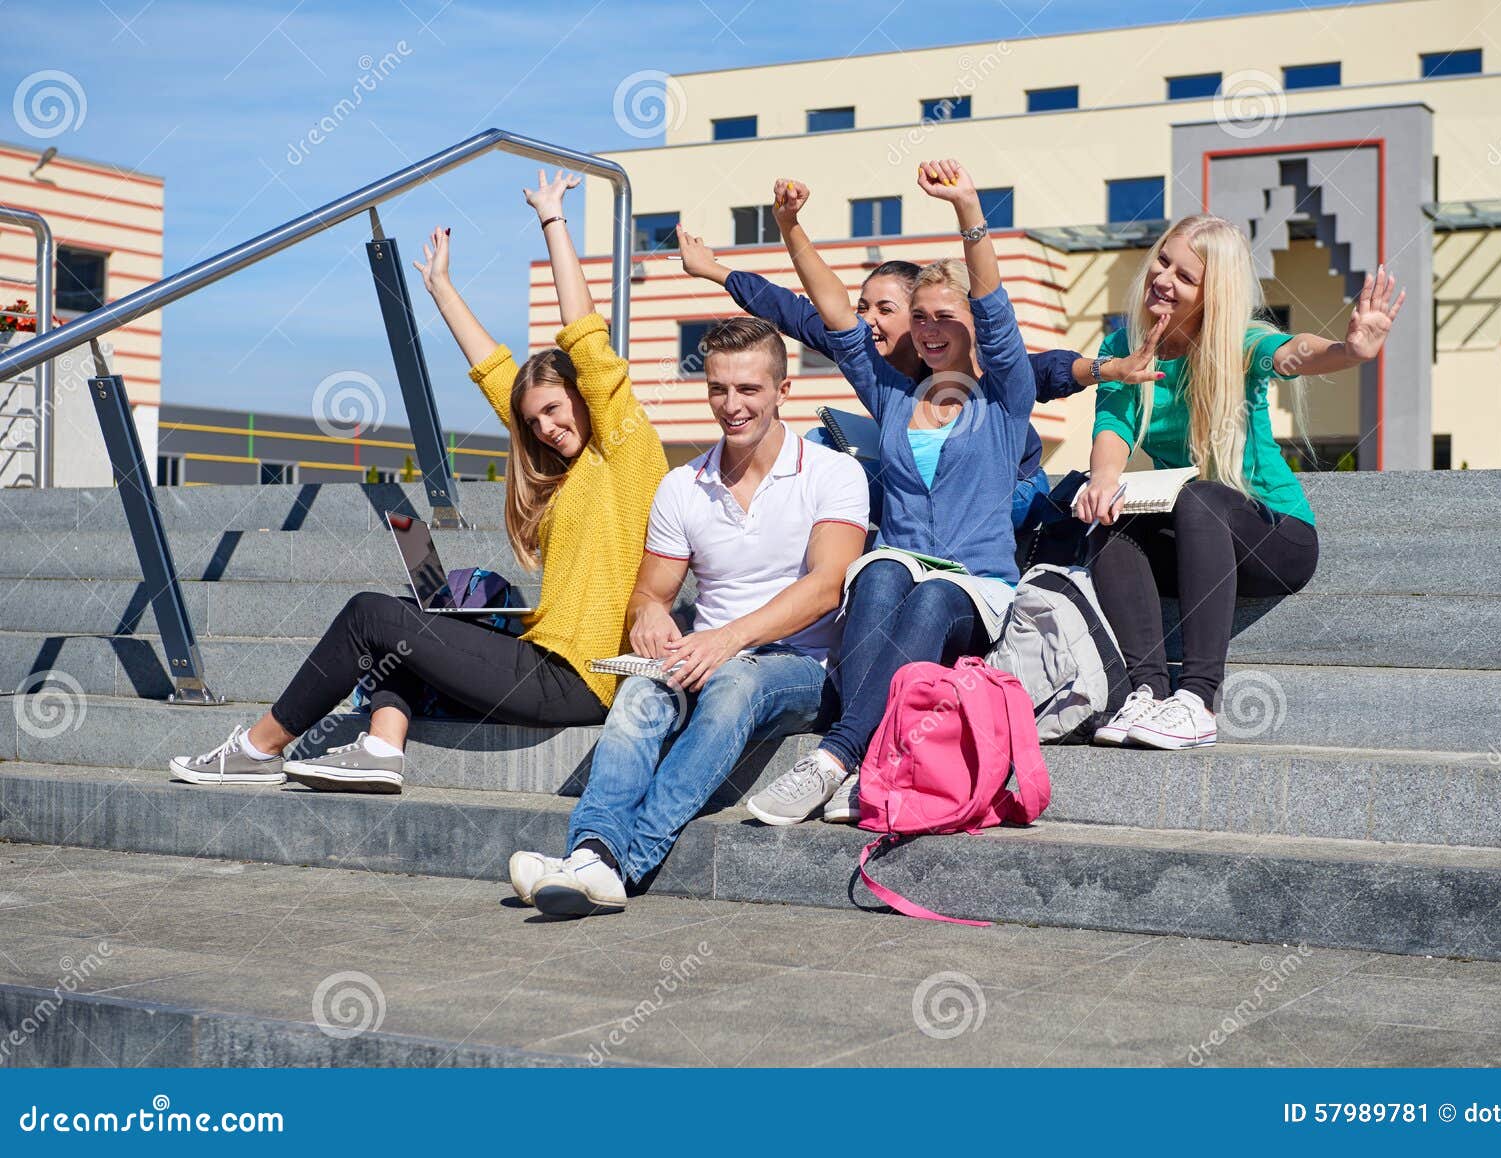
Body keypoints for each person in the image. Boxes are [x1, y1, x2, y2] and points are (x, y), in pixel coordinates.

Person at [169, 170, 668, 792]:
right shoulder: (563, 476)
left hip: (575, 678)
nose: (544, 427)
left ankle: (257, 747)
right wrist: (440, 288)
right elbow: (497, 376)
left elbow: (587, 338)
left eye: (557, 409)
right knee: (405, 618)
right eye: (534, 419)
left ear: (587, 397)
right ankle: (381, 746)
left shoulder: (624, 452)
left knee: (368, 616)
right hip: (545, 660)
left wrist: (553, 220)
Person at [508, 316, 869, 915]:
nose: (732, 405)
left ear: (784, 391)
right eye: (719, 389)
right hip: (705, 655)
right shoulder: (683, 485)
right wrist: (648, 617)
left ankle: (621, 862)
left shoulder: (833, 473)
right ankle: (591, 851)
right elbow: (650, 594)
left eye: (749, 390)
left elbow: (826, 586)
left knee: (736, 680)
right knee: (640, 693)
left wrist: (725, 640)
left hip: (803, 665)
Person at [744, 159, 1039, 826]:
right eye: (923, 318)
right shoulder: (892, 393)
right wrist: (791, 228)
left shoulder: (1004, 398)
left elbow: (994, 306)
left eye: (946, 317)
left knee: (933, 592)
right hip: (899, 566)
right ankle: (870, 760)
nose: (931, 330)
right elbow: (835, 316)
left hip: (973, 581)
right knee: (877, 573)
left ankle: (835, 756)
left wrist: (968, 207)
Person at [1078, 214, 1404, 750]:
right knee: (1111, 521)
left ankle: (1198, 702)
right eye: (1163, 261)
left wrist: (1349, 352)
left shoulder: (1237, 341)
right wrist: (1104, 481)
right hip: (1196, 543)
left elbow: (1290, 353)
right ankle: (1148, 694)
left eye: (1185, 277)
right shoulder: (1126, 343)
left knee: (1200, 499)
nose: (1163, 279)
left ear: (1213, 293)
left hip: (1275, 537)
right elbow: (1112, 422)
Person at [675, 222, 1128, 533]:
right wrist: (713, 270)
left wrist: (1104, 368)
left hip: (1008, 488)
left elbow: (1040, 370)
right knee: (816, 443)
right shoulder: (865, 353)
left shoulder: (965, 358)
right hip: (922, 489)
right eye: (862, 308)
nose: (868, 320)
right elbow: (790, 310)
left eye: (885, 310)